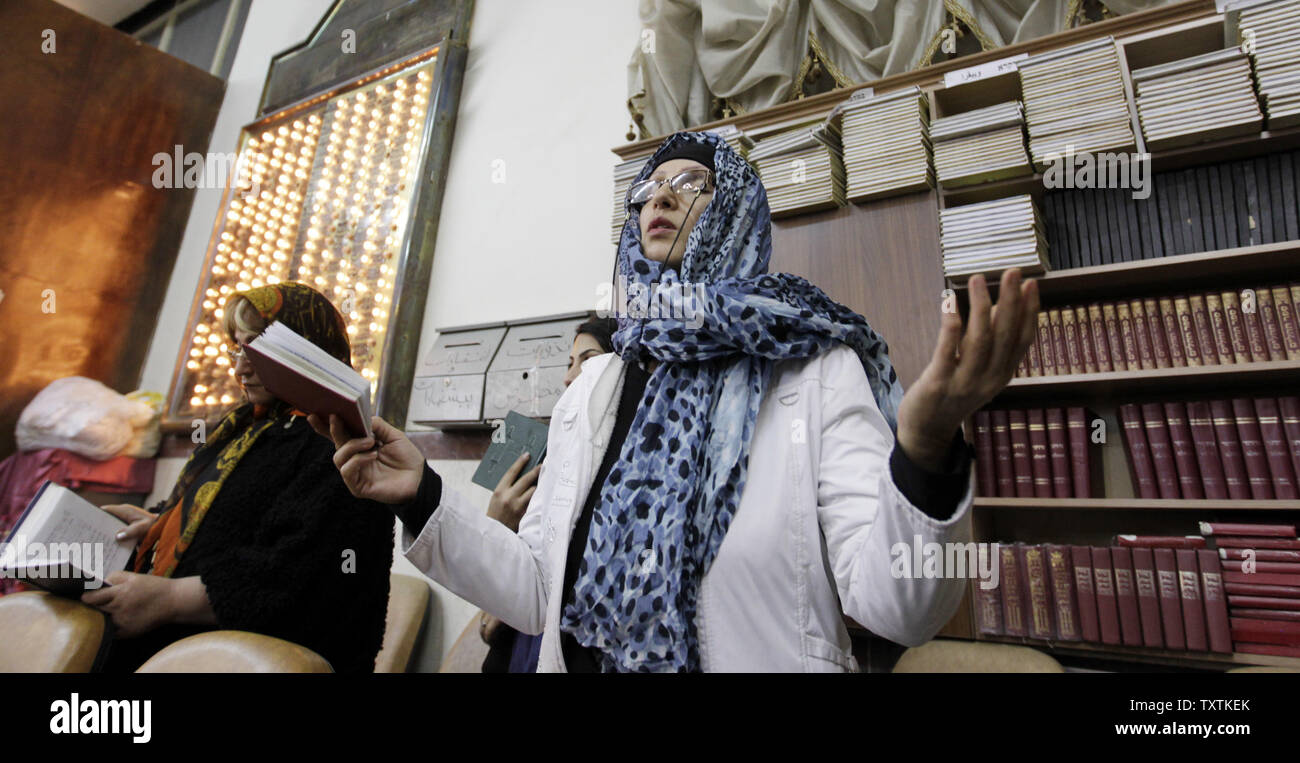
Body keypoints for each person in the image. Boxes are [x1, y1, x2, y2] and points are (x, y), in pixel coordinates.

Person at [311, 130, 1039, 672]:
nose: (659, 197)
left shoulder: (815, 365)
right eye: (649, 189)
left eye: (691, 184)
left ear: (736, 214)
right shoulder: (596, 384)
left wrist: (926, 452)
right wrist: (421, 497)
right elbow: (536, 588)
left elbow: (898, 606)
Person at [85, 282, 395, 672]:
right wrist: (163, 525)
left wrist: (169, 599)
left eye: (258, 350)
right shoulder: (244, 427)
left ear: (307, 349)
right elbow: (237, 520)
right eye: (237, 348)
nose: (240, 368)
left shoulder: (339, 442)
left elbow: (301, 577)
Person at [480, 315, 617, 673]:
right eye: (569, 364)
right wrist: (499, 527)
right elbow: (489, 625)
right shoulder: (545, 467)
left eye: (587, 360)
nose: (570, 377)